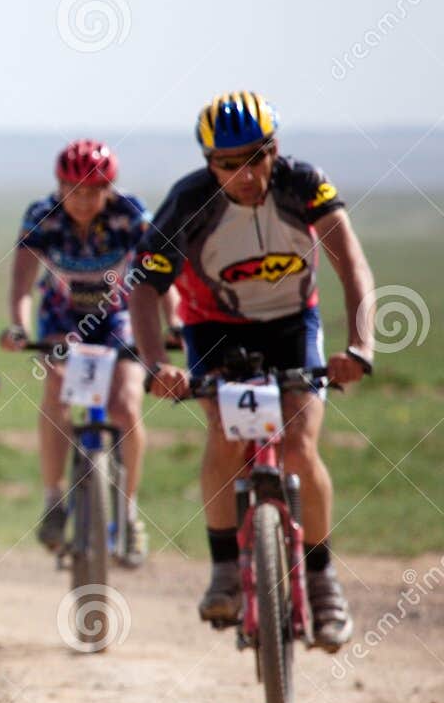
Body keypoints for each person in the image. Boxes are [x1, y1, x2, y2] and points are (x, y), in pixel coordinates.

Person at [129, 92, 375, 649]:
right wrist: (155, 365)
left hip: (293, 322)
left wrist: (360, 346)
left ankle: (322, 581)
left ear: (275, 149)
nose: (245, 173)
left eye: (256, 156)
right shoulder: (189, 200)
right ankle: (222, 570)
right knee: (224, 431)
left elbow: (351, 264)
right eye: (228, 163)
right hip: (216, 326)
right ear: (208, 162)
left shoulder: (304, 184)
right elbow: (144, 290)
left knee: (299, 447)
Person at [0, 140, 167, 566]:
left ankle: (128, 513)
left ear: (109, 190)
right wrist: (19, 326)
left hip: (117, 317)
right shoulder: (41, 216)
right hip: (62, 319)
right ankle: (54, 499)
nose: (82, 200)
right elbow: (22, 284)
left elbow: (159, 278)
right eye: (73, 189)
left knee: (127, 405)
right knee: (56, 394)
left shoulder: (131, 214)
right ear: (59, 187)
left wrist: (176, 324)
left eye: (93, 190)